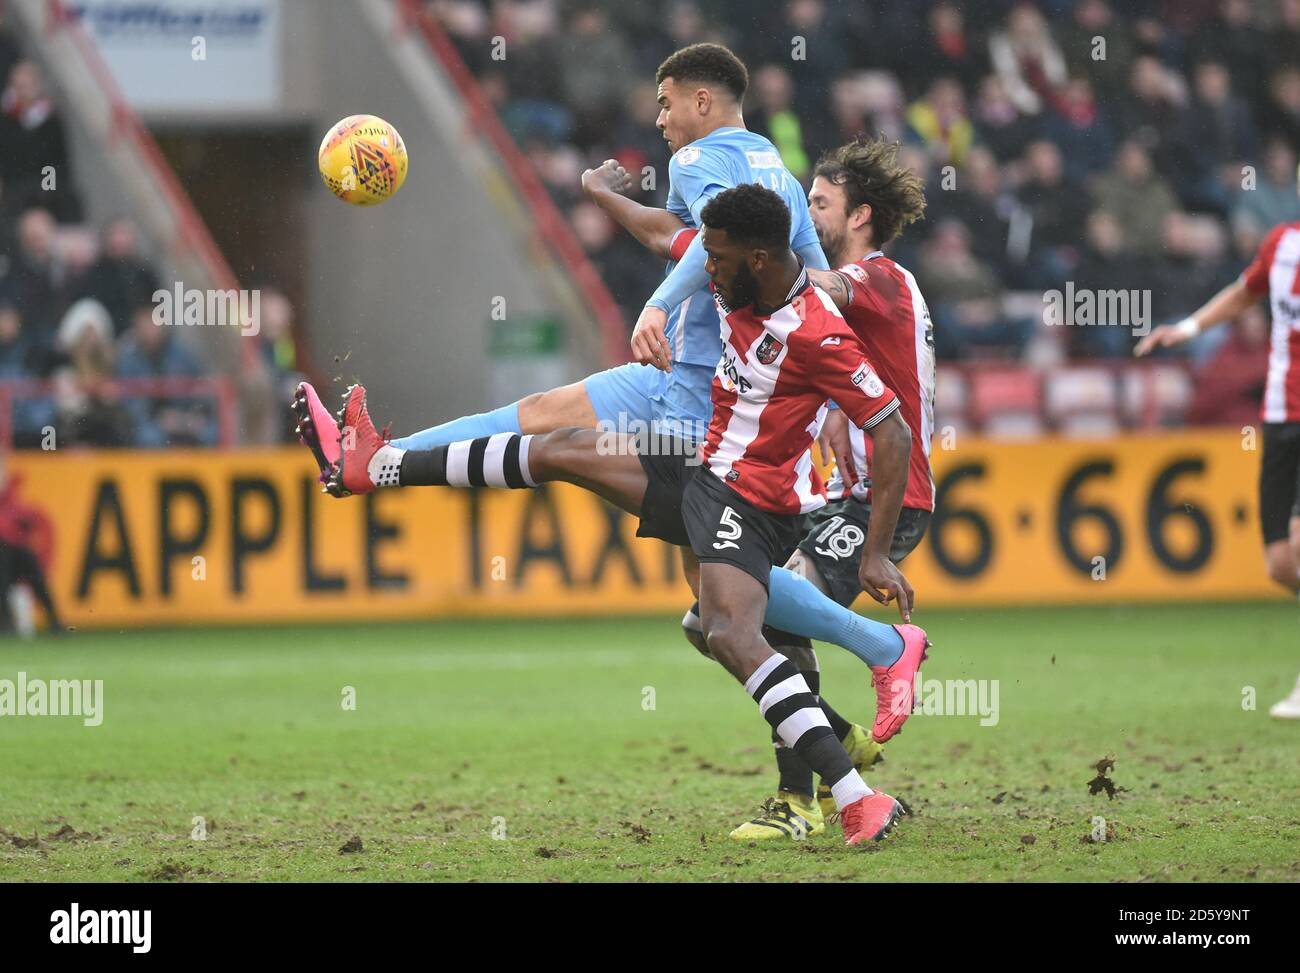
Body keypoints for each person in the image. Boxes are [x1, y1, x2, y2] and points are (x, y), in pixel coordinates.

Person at [296, 184, 930, 846]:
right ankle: (379, 468)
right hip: (704, 470)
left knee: (726, 630)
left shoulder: (819, 331)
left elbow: (893, 431)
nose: (706, 271)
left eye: (717, 258)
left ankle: (856, 793)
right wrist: (599, 194)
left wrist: (876, 552)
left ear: (762, 259)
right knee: (562, 449)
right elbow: (666, 236)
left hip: (755, 499)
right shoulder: (738, 273)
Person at [580, 137, 936, 840]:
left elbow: (811, 291)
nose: (806, 213)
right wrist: (607, 198)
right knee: (709, 624)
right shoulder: (859, 294)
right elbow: (679, 240)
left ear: (859, 214)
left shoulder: (876, 277)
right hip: (831, 494)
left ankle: (800, 796)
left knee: (756, 623)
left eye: (821, 202)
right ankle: (838, 741)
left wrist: (873, 545)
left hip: (882, 501)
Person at [1136, 212, 1300, 720]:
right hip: (1280, 415)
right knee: (1280, 563)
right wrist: (1186, 328)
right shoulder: (1281, 243)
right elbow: (1243, 292)